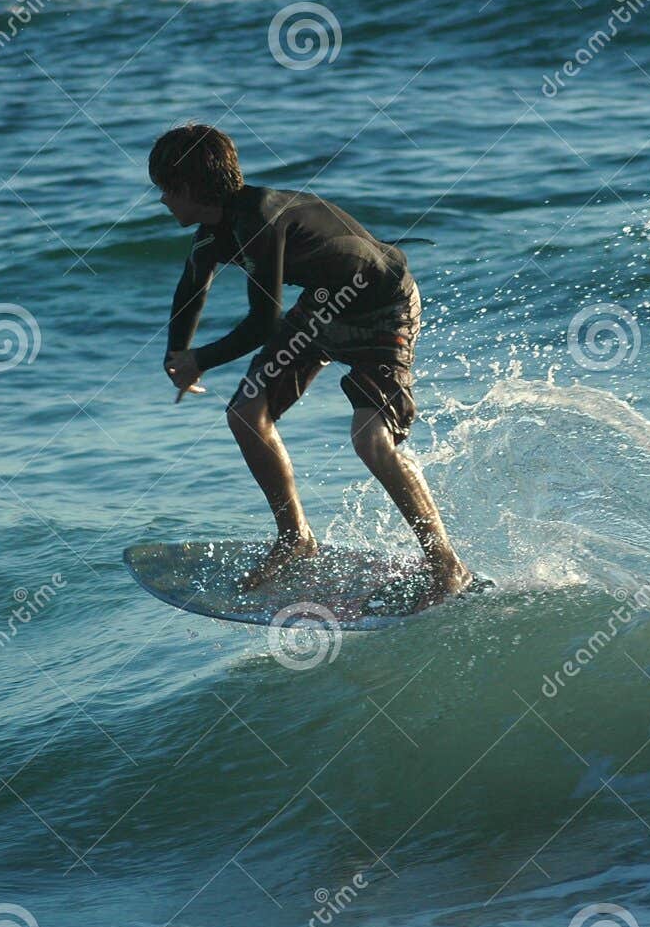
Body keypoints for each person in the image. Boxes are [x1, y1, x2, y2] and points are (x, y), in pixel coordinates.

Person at [150, 123, 472, 600]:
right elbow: (191, 289)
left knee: (370, 440)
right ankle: (295, 537)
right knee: (244, 414)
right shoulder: (214, 233)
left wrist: (202, 359)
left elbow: (263, 322)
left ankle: (445, 563)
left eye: (166, 190)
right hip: (322, 307)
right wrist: (177, 355)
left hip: (383, 307)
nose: (162, 201)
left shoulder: (260, 218)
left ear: (192, 188)